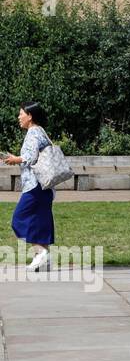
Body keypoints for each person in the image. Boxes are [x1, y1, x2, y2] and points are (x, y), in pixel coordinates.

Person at [3, 102, 57, 273]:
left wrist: (14, 160)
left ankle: (41, 253)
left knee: (19, 219)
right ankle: (44, 259)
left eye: (21, 114)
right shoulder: (40, 131)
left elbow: (31, 157)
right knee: (41, 221)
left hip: (35, 186)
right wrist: (17, 158)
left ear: (30, 116)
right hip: (45, 186)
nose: (19, 117)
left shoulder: (33, 132)